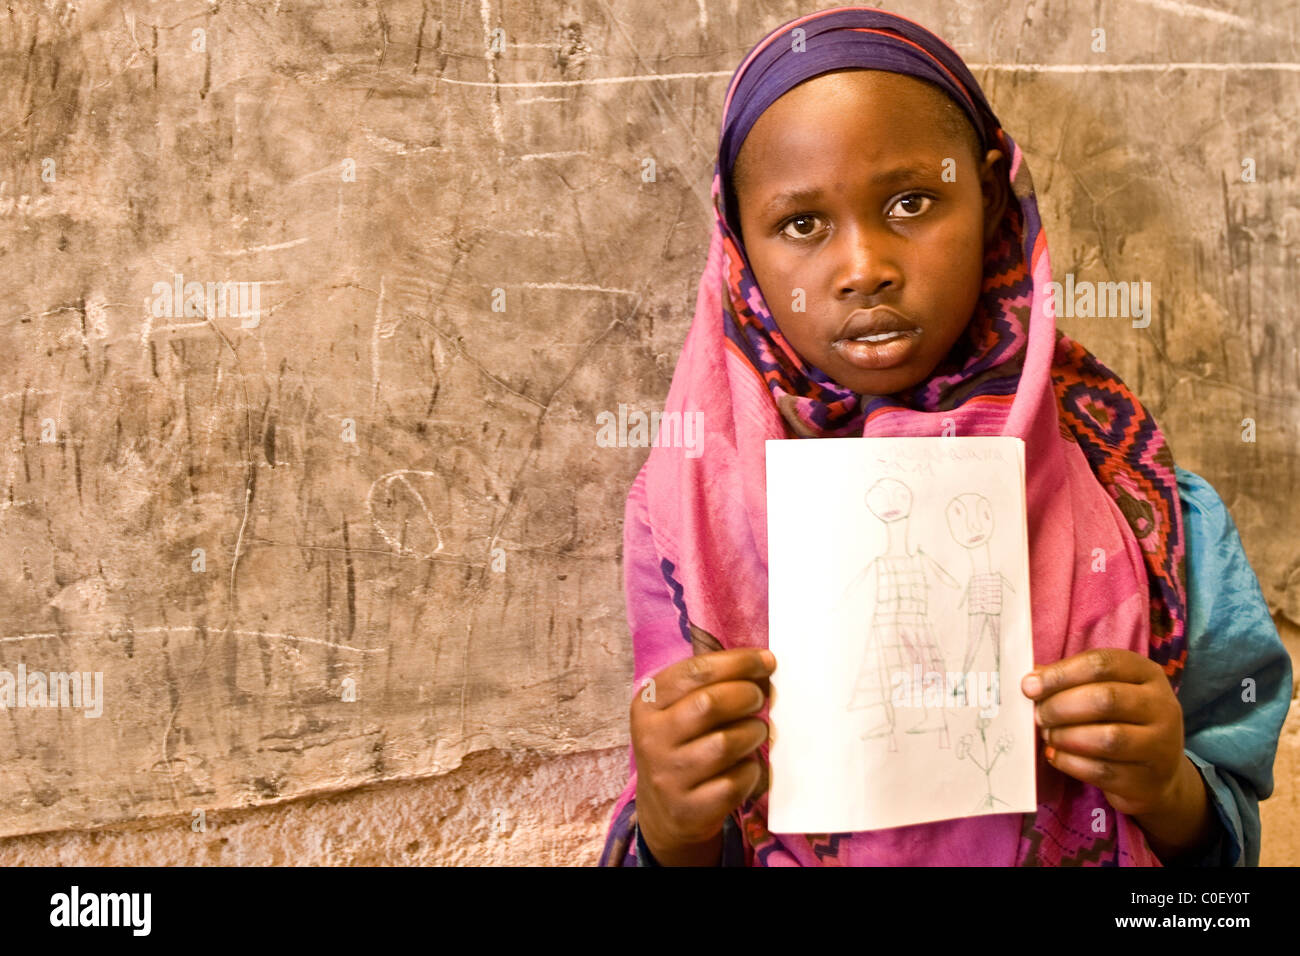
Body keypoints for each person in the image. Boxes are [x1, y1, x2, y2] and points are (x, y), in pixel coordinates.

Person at [598, 6, 1291, 866]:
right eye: (802, 224)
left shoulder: (1148, 507)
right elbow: (678, 821)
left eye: (912, 202)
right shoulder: (687, 519)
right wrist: (671, 825)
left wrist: (1168, 787)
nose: (863, 268)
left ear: (993, 198)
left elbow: (1219, 858)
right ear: (739, 247)